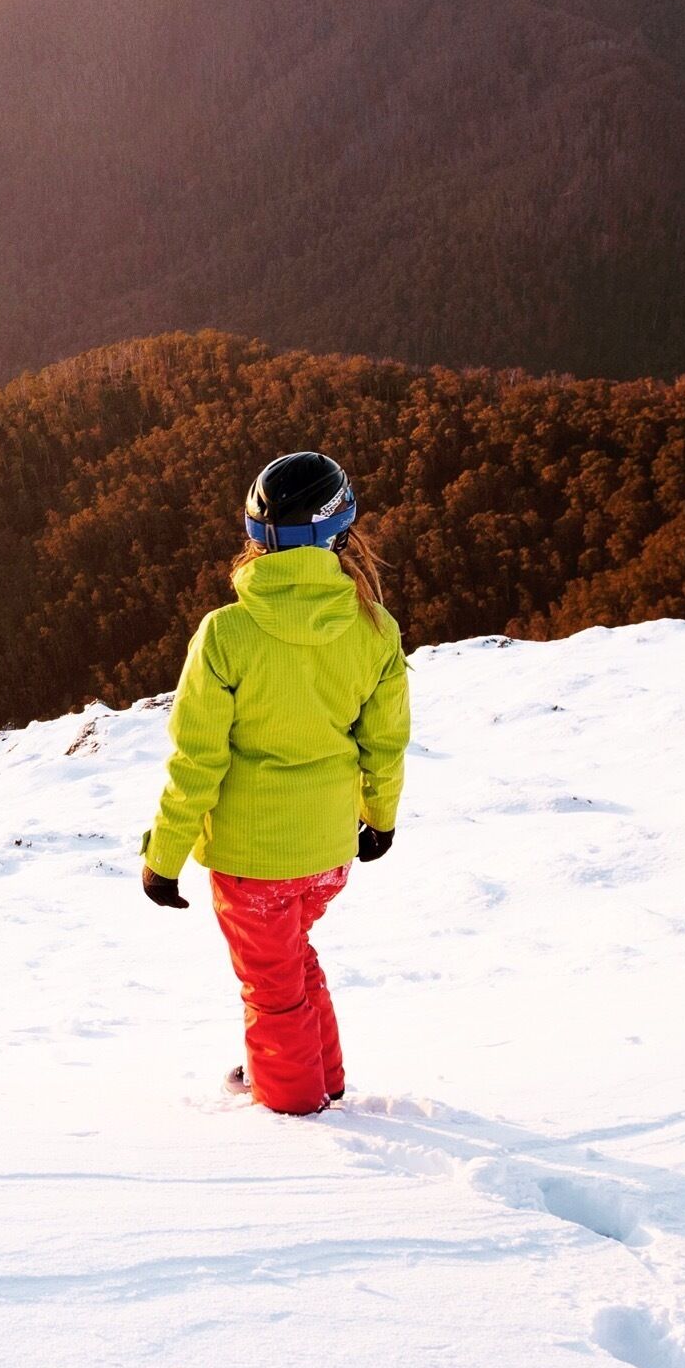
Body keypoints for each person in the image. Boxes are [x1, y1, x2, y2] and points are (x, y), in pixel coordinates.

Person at [139, 451, 408, 1114]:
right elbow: (384, 745)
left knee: (273, 989)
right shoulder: (375, 629)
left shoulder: (227, 633)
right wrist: (380, 820)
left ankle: (293, 1106)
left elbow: (196, 761)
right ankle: (324, 1078)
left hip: (252, 860)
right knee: (293, 960)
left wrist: (163, 858)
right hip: (328, 853)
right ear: (341, 530)